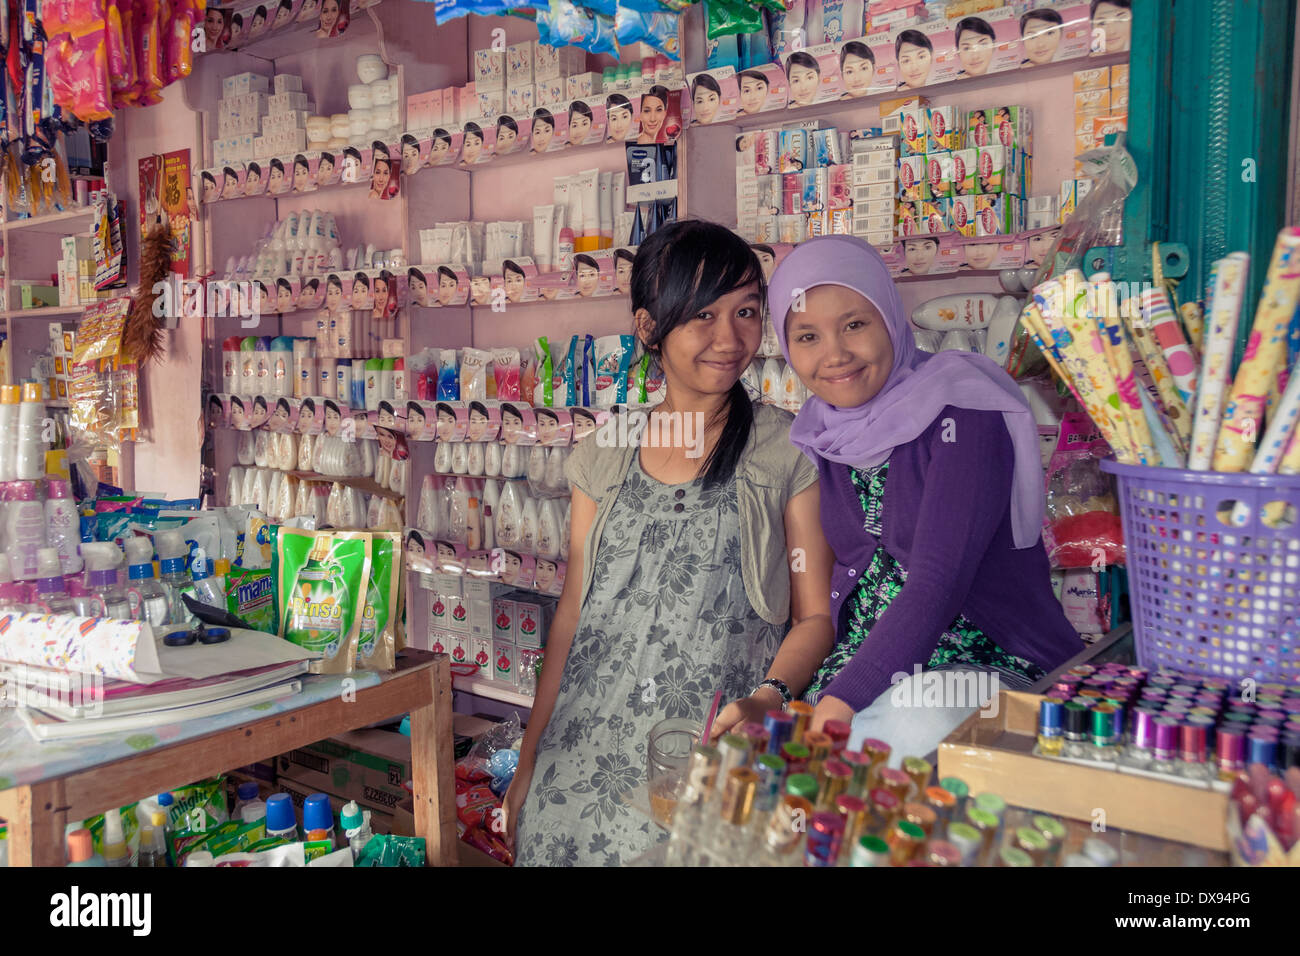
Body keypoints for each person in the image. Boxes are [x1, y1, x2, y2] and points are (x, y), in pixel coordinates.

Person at [505, 220, 834, 867]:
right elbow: (572, 615)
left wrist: (766, 695)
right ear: (649, 328)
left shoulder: (786, 448)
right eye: (703, 314)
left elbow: (816, 616)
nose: (729, 337)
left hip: (711, 748)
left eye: (745, 311)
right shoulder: (602, 456)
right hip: (586, 743)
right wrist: (531, 755)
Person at [767, 236, 1080, 755]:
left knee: (903, 731)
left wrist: (842, 701)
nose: (835, 355)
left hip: (981, 664)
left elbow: (939, 579)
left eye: (854, 324)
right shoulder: (824, 433)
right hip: (870, 668)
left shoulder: (963, 409)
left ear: (890, 317)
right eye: (807, 337)